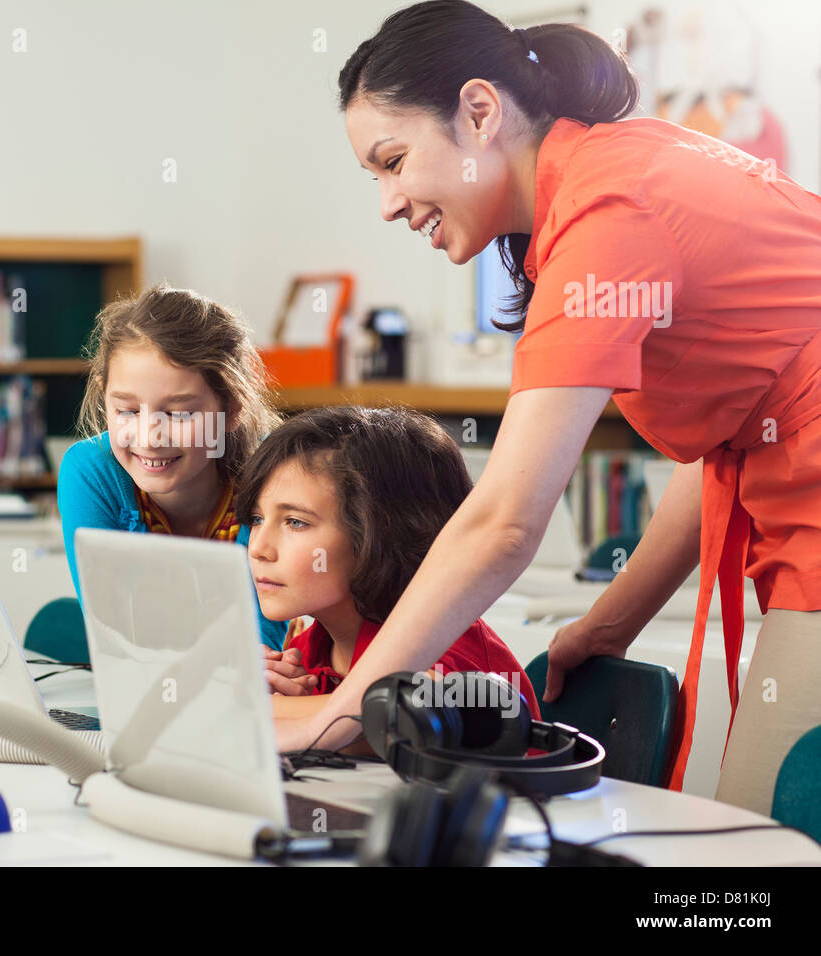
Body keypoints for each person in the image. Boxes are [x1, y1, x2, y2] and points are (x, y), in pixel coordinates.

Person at [274, 0, 821, 815]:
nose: (387, 202)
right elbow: (727, 450)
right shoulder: (608, 178)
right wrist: (611, 624)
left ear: (480, 112)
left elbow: (504, 523)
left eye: (393, 161)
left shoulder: (610, 215)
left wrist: (340, 709)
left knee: (766, 840)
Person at [236, 405, 541, 732]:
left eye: (295, 522)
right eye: (257, 519)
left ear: (381, 533)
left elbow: (402, 719)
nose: (258, 548)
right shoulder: (306, 652)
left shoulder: (442, 636)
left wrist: (254, 704)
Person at [57, 282, 289, 651]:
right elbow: (116, 635)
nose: (150, 438)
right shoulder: (91, 471)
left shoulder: (274, 474)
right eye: (128, 411)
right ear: (104, 396)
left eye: (179, 413)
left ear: (232, 408)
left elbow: (263, 641)